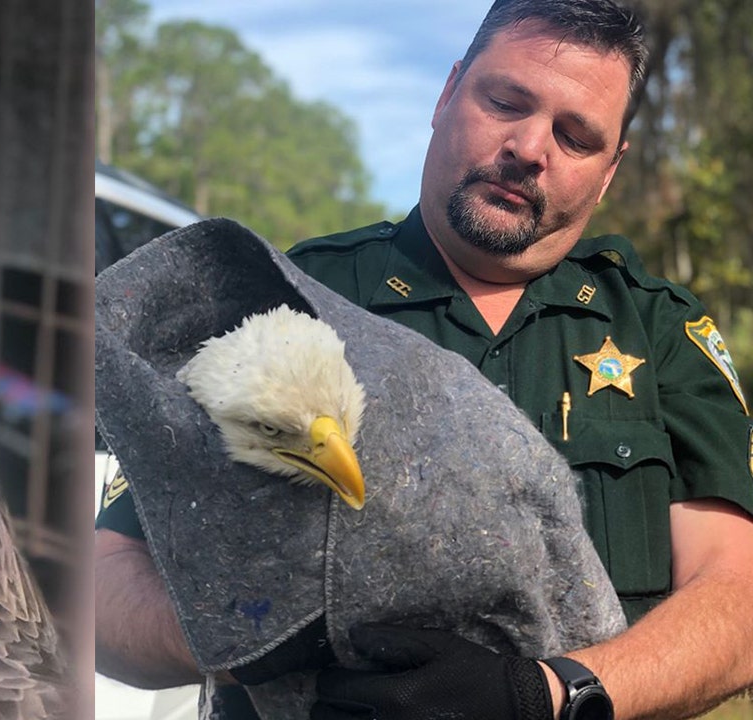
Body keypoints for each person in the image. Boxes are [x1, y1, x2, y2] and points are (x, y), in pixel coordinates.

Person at [94, 1, 753, 718]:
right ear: (446, 95)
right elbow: (102, 579)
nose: (531, 147)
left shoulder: (659, 329)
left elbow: (740, 601)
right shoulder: (284, 302)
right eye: (506, 100)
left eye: (576, 135)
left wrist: (548, 694)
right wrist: (251, 629)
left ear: (609, 171)